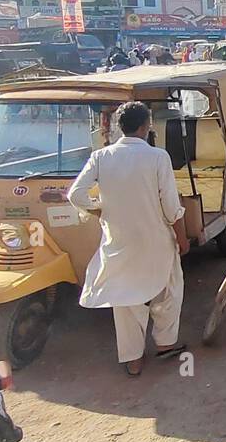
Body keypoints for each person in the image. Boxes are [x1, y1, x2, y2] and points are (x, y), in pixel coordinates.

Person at [68, 102, 190, 377]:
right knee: (169, 289)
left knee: (126, 300)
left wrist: (98, 208)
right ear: (146, 126)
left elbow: (75, 195)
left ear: (119, 127)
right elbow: (171, 207)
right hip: (156, 239)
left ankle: (133, 360)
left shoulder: (101, 156)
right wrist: (182, 237)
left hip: (118, 241)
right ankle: (166, 343)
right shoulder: (158, 157)